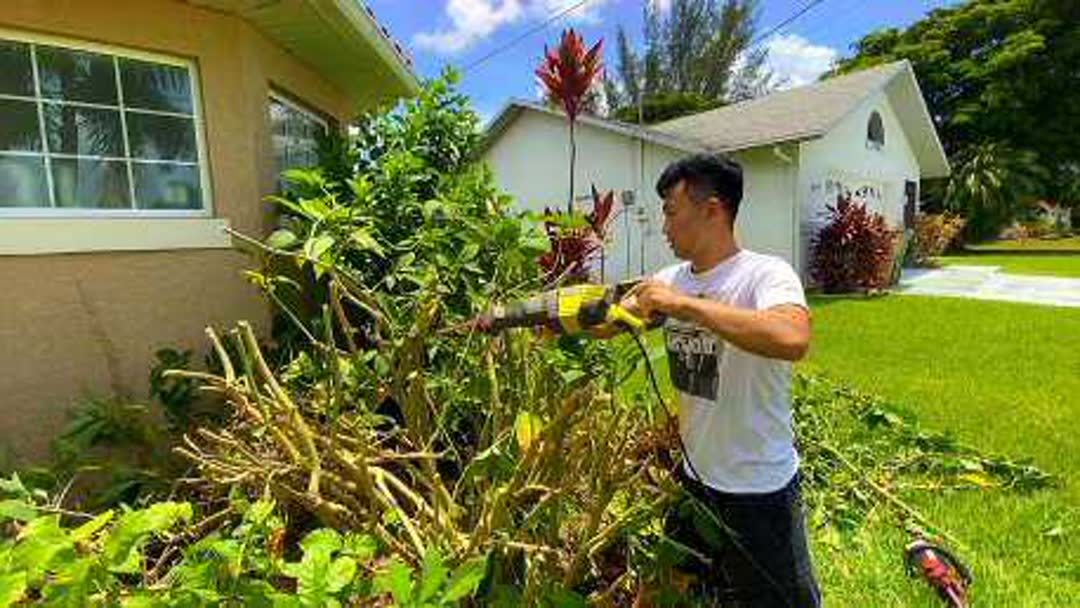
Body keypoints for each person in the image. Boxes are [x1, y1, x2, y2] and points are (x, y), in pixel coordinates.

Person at [625, 154, 820, 607]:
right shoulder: (671, 279)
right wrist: (560, 319)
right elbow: (617, 318)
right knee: (667, 590)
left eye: (672, 213)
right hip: (696, 479)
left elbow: (792, 336)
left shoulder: (765, 274)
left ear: (712, 210)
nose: (665, 226)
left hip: (759, 488)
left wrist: (685, 306)